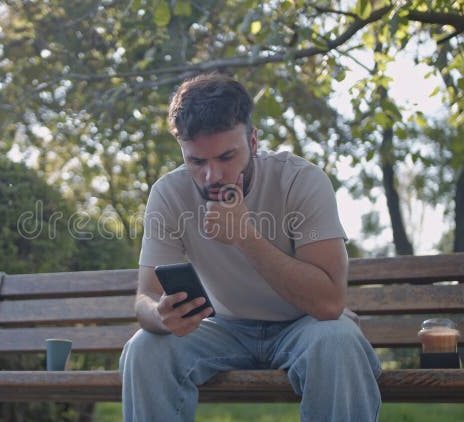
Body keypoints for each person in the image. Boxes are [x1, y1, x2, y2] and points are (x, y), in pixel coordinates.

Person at [119, 73, 382, 421]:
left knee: (338, 342)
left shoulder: (302, 181)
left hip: (305, 325)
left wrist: (245, 237)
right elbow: (144, 299)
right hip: (222, 329)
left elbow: (330, 303)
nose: (212, 175)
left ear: (254, 141)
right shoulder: (168, 194)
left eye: (227, 156)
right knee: (144, 349)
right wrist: (162, 316)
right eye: (196, 161)